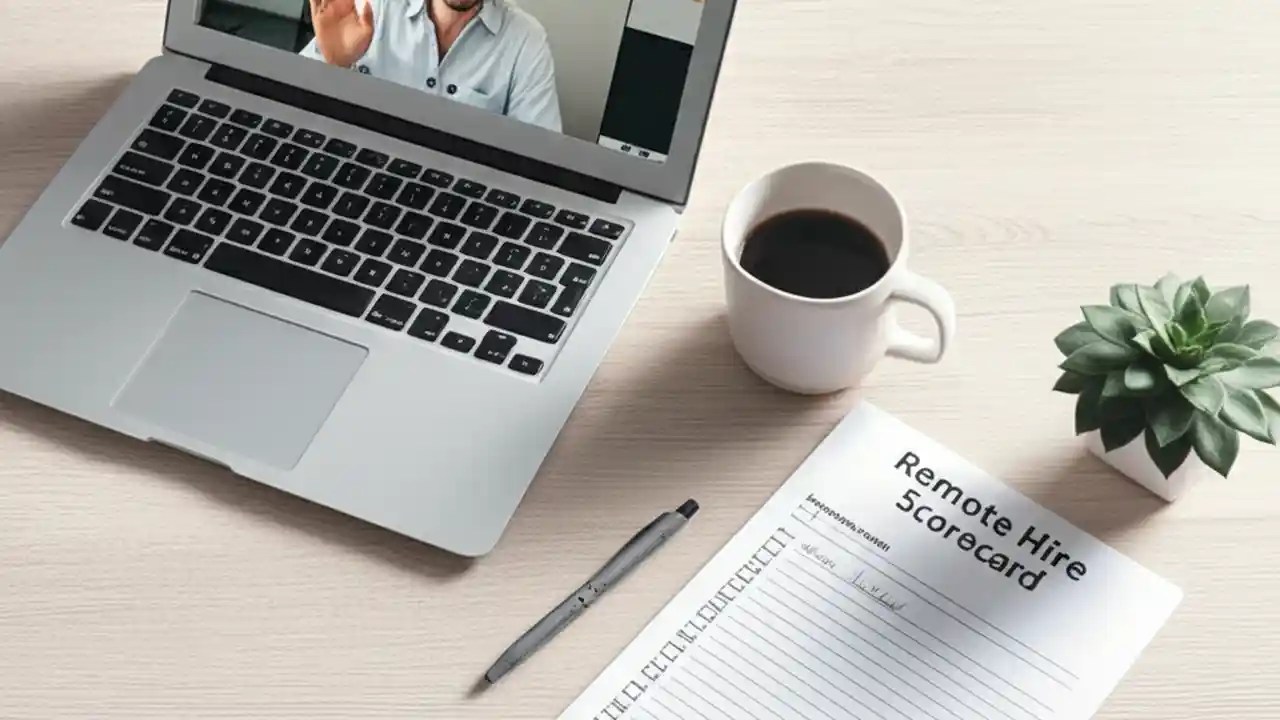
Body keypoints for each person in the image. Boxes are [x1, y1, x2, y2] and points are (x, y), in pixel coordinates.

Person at [302, 0, 562, 132]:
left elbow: (543, 167)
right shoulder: (375, 4)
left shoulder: (526, 41)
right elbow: (295, 114)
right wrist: (335, 67)